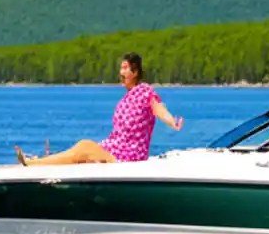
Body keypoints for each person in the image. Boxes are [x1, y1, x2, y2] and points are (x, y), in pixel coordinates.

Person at [15, 52, 183, 165]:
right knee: (82, 151)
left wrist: (172, 122)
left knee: (85, 146)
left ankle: (34, 163)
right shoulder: (126, 99)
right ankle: (45, 161)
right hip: (114, 148)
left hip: (129, 156)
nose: (121, 72)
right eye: (121, 67)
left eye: (125, 68)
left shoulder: (145, 91)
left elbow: (158, 108)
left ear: (136, 72)